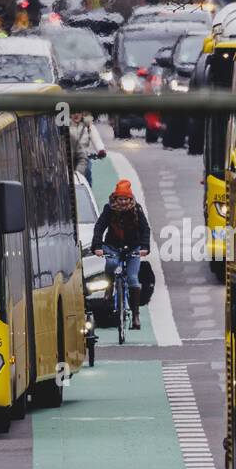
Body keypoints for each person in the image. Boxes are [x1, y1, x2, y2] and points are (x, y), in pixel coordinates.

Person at [91, 180, 151, 330]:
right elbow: (99, 227)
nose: (123, 202)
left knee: (132, 278)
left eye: (126, 199)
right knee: (111, 264)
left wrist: (144, 247)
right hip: (113, 246)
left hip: (133, 248)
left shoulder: (137, 210)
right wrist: (97, 246)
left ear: (130, 199)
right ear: (115, 198)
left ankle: (136, 315)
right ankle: (109, 288)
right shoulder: (109, 210)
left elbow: (145, 229)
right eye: (120, 199)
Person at [68, 112, 106, 185]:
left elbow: (96, 139)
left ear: (82, 114)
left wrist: (101, 150)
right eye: (73, 112)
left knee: (87, 171)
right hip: (67, 157)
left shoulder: (89, 126)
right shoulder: (64, 126)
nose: (76, 115)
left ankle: (88, 191)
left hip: (84, 156)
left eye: (78, 112)